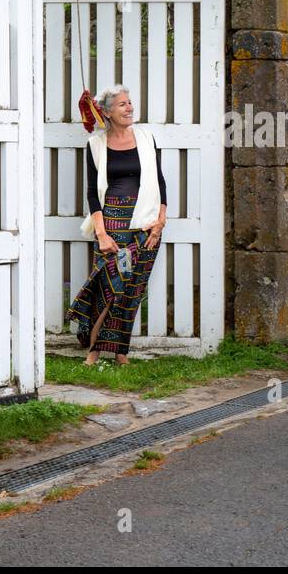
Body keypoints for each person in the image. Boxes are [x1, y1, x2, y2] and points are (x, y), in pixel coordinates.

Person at [65, 85, 168, 366]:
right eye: (122, 104)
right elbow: (91, 193)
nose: (129, 108)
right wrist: (101, 233)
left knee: (132, 289)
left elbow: (160, 183)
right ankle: (93, 353)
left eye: (130, 102)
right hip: (112, 224)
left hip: (146, 226)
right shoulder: (95, 145)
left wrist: (159, 223)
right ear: (107, 112)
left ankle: (121, 354)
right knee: (108, 287)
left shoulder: (147, 139)